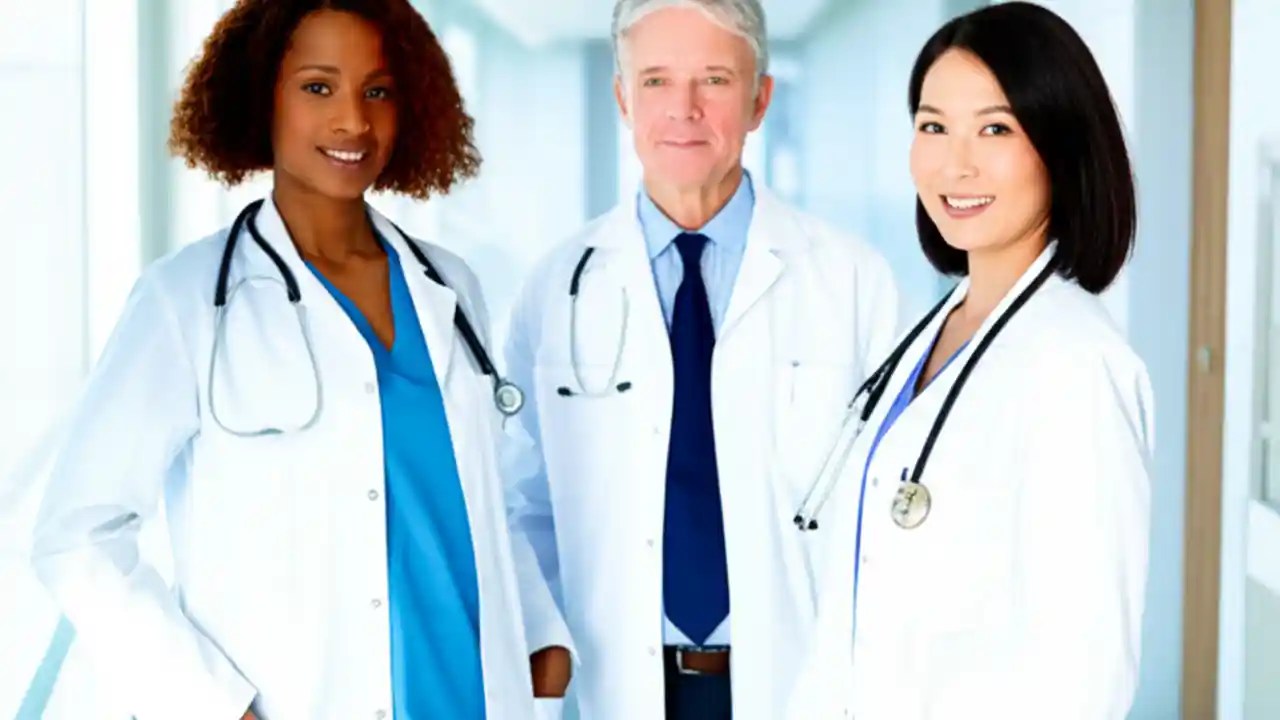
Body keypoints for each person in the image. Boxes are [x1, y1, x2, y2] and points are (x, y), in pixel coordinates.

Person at [28, 1, 546, 717]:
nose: (353, 123)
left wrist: (544, 654)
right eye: (317, 87)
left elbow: (485, 506)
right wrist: (209, 703)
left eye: (378, 90)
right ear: (258, 94)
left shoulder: (449, 287)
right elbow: (76, 535)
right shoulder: (184, 303)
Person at [502, 0, 900, 717]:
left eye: (714, 79)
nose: (683, 109)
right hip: (617, 683)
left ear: (759, 99)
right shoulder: (557, 285)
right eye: (655, 80)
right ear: (623, 98)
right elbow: (520, 500)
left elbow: (883, 516)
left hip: (798, 685)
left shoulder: (850, 279)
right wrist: (546, 648)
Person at [787, 4, 1155, 718]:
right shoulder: (936, 330)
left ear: (1062, 145)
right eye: (933, 126)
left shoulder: (1077, 368)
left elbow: (1086, 673)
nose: (956, 163)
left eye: (995, 128)